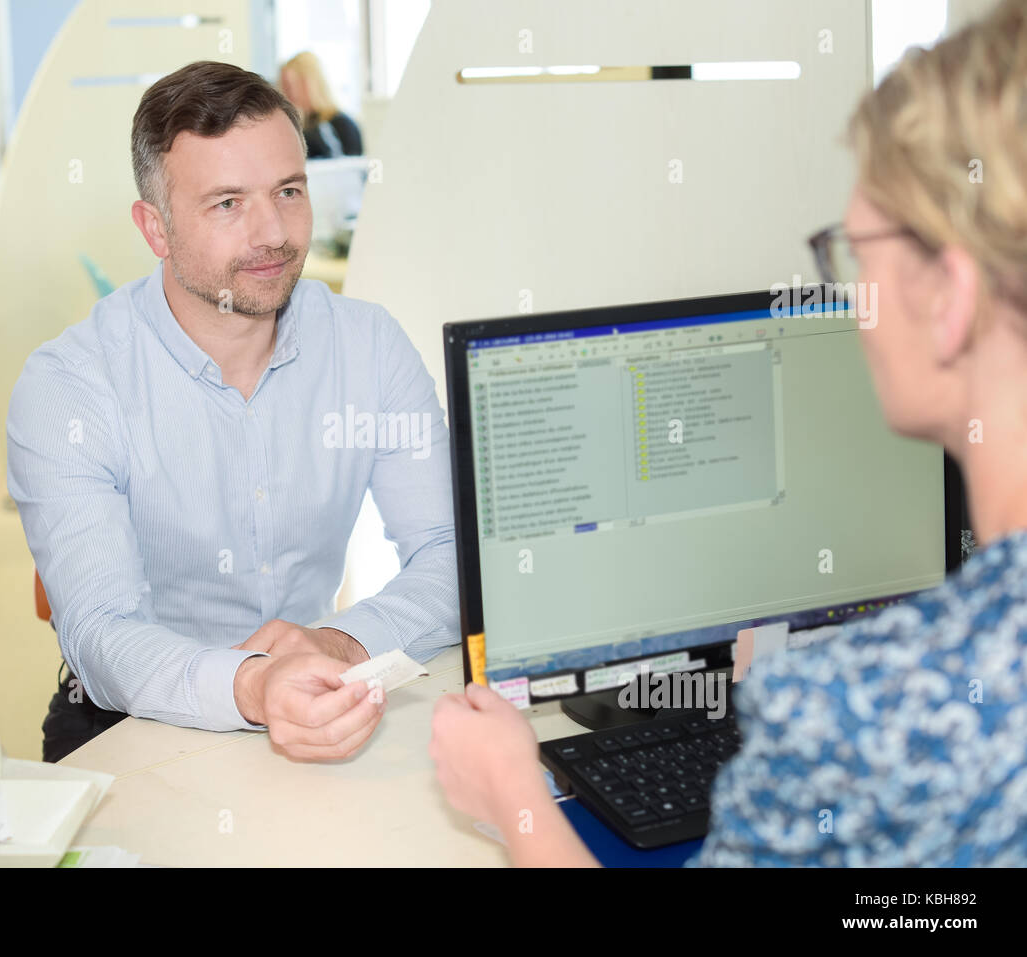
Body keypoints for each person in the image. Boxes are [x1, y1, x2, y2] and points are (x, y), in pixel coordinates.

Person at [430, 0, 1027, 866]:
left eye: (854, 257)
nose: (847, 301)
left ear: (950, 298)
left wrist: (514, 796)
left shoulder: (858, 715)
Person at [7, 61, 458, 762]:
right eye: (227, 203)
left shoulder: (368, 345)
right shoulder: (70, 385)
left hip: (317, 688)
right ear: (155, 229)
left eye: (288, 190)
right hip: (129, 720)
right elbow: (101, 631)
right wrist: (252, 685)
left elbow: (451, 552)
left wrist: (339, 641)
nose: (273, 232)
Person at [279, 52, 363, 158]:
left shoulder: (343, 125)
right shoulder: (300, 127)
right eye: (284, 86)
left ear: (308, 83)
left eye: (290, 85)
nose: (286, 93)